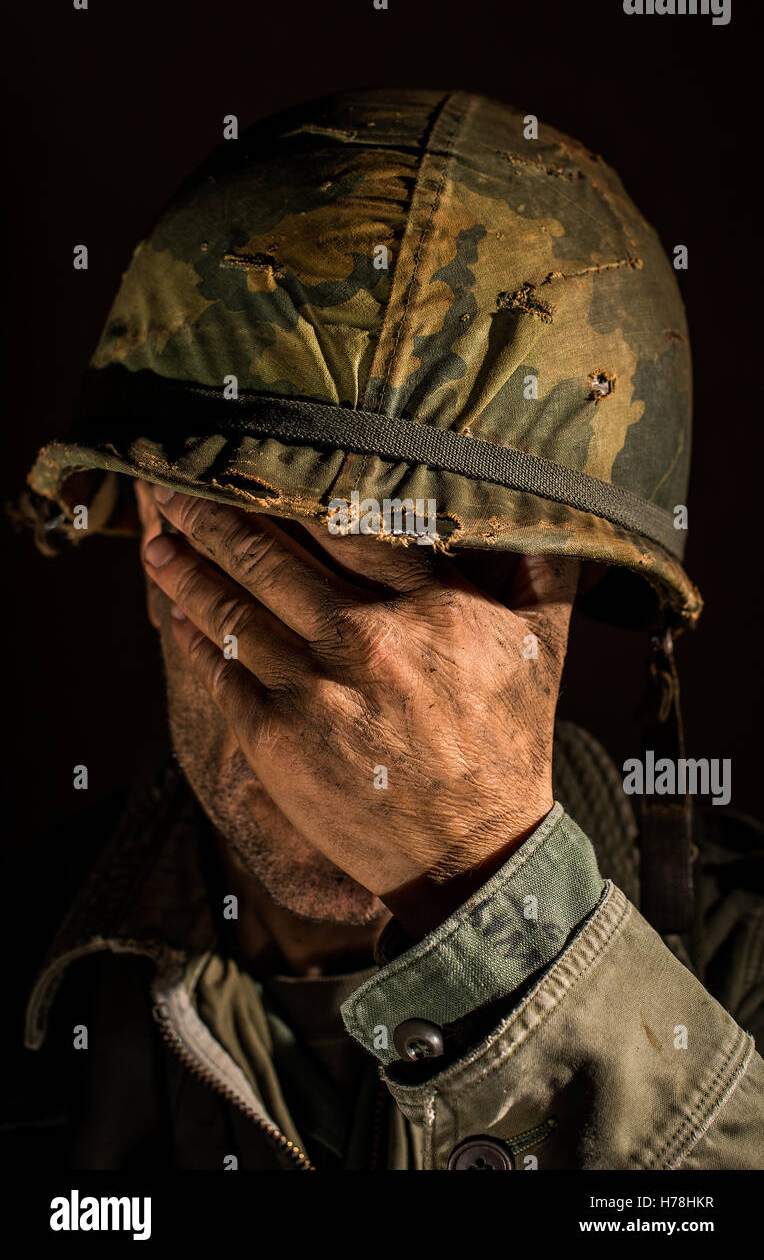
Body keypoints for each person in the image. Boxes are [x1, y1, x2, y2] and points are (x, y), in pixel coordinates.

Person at [7, 89, 763, 1170]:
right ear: (148, 514)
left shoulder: (739, 980)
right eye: (281, 540)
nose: (375, 654)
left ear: (577, 580)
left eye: (460, 551)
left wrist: (495, 910)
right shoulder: (37, 988)